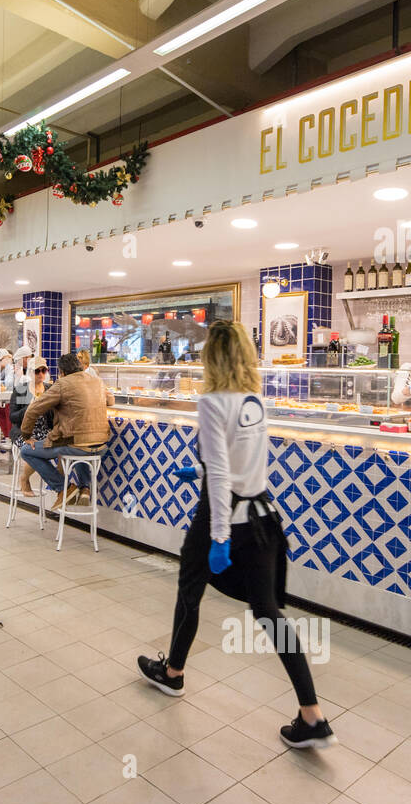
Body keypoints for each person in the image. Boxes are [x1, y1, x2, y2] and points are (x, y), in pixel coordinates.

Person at [137, 320, 336, 749]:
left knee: (189, 593)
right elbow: (243, 462)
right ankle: (312, 715)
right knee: (268, 612)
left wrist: (220, 535)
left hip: (222, 516)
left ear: (212, 357)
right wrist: (204, 468)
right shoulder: (253, 400)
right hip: (263, 516)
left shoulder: (211, 402)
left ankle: (173, 674)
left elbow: (225, 473)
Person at [19, 352, 114, 510]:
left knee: (26, 451)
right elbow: (111, 400)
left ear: (61, 372)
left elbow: (33, 409)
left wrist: (26, 435)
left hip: (75, 445)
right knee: (80, 443)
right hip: (101, 446)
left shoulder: (62, 384)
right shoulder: (97, 381)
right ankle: (85, 488)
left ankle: (64, 488)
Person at [9, 357, 51, 496]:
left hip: (45, 430)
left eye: (44, 370)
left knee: (55, 448)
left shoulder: (50, 389)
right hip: (23, 431)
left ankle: (62, 489)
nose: (41, 374)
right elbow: (13, 417)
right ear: (30, 372)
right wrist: (28, 409)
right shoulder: (22, 390)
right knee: (35, 449)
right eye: (37, 371)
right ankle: (25, 479)